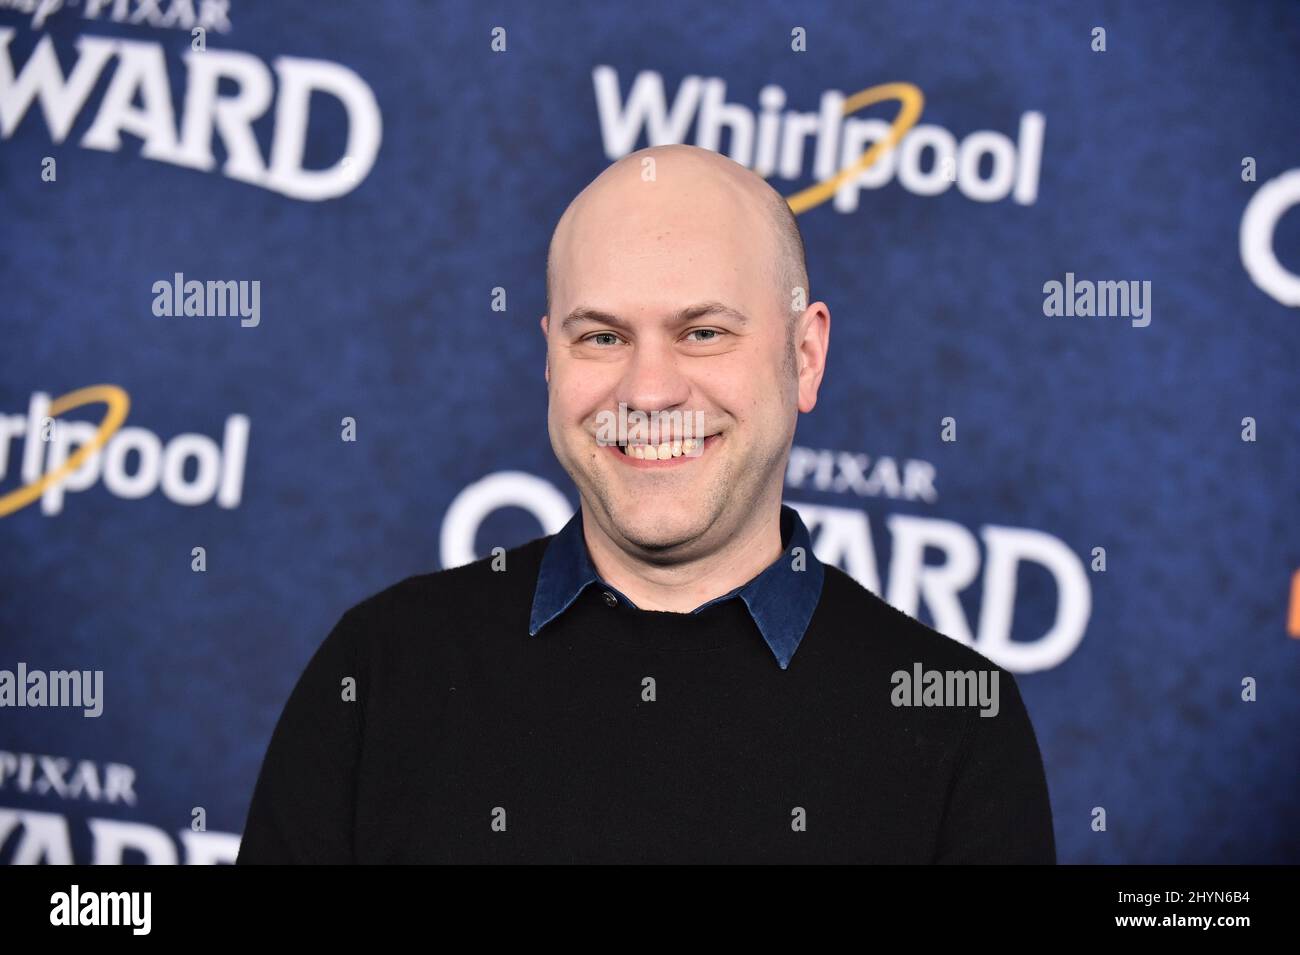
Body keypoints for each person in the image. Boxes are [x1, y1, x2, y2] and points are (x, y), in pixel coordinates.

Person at [237, 144, 1055, 864]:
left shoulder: (957, 722)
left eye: (703, 332)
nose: (650, 390)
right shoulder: (382, 670)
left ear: (804, 357)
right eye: (602, 336)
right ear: (550, 359)